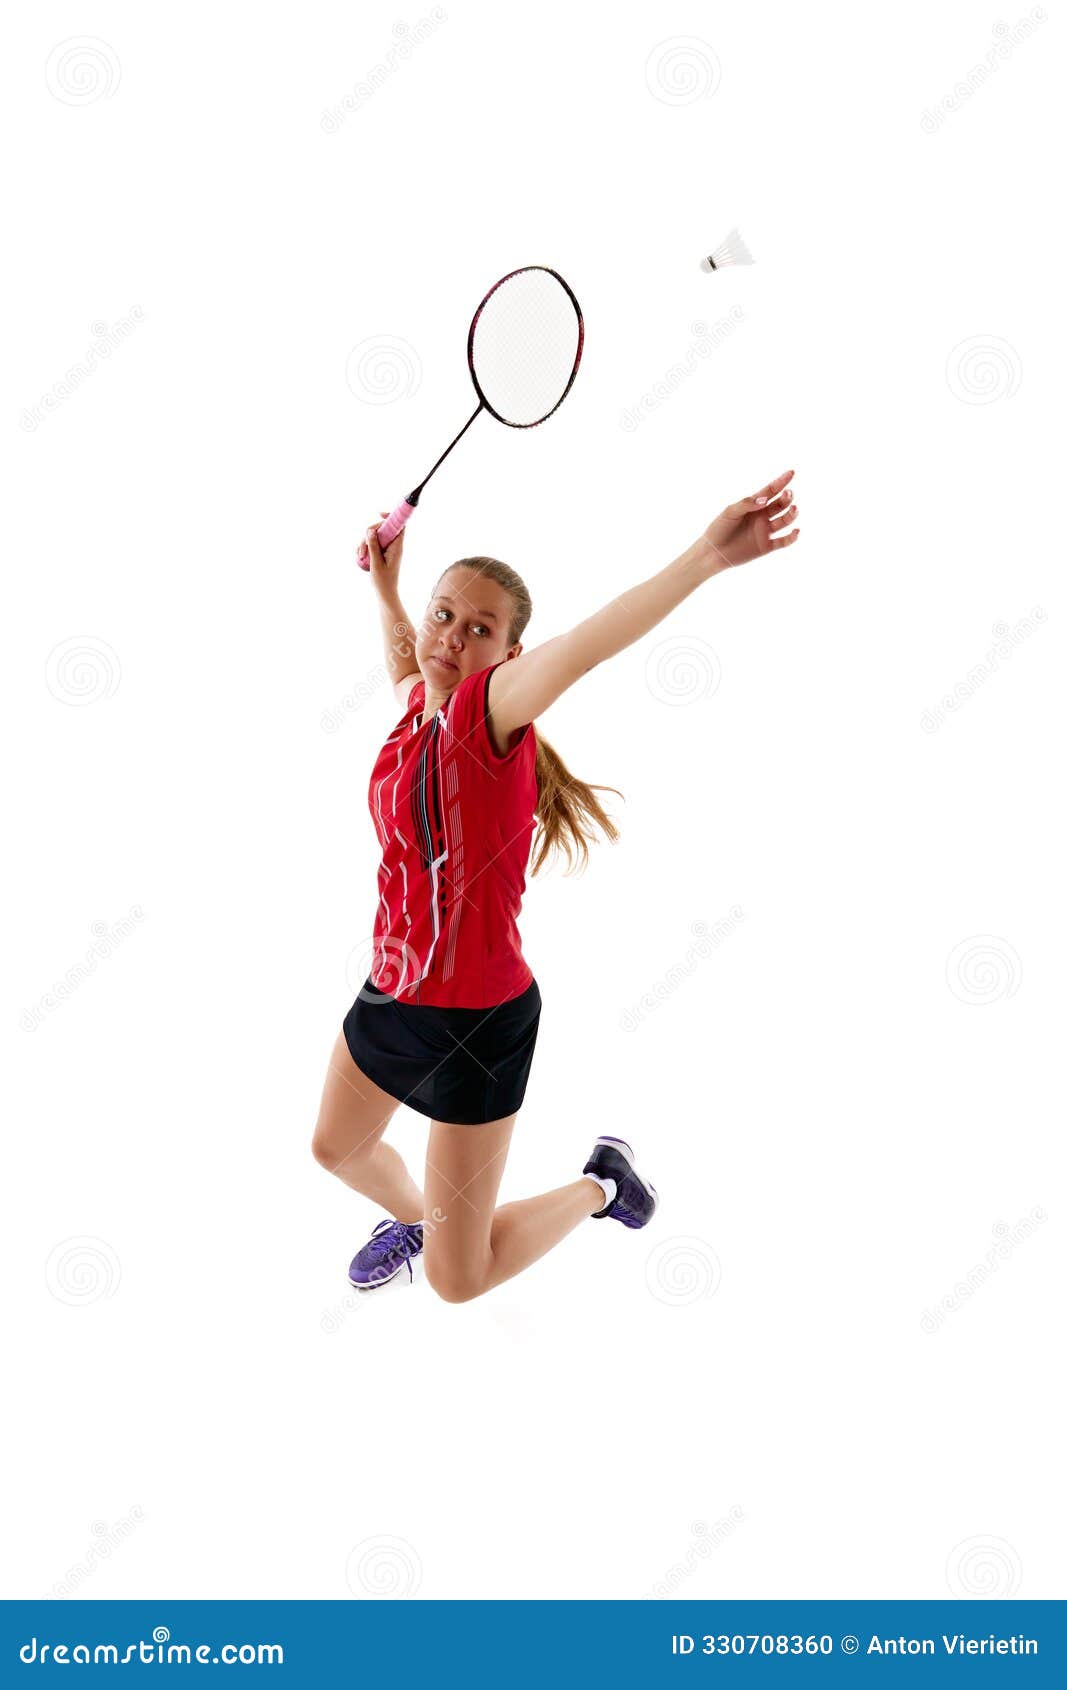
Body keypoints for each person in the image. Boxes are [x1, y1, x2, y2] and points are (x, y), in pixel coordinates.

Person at [312, 471, 800, 1301]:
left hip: (478, 1025)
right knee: (336, 1149)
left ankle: (603, 1184)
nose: (449, 637)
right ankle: (423, 1220)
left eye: (479, 629)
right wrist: (391, 594)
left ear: (506, 657)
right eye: (444, 615)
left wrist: (707, 557)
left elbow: (590, 640)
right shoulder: (412, 717)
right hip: (392, 994)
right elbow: (406, 661)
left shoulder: (486, 713)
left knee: (456, 1283)